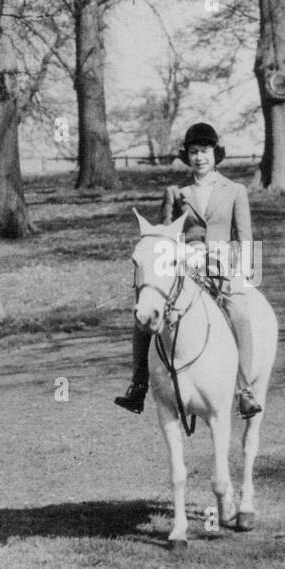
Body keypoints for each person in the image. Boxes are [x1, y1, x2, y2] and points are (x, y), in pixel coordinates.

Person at [114, 121, 263, 420]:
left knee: (240, 313)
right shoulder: (177, 193)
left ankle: (243, 390)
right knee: (145, 313)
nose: (199, 158)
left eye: (205, 151)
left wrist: (240, 269)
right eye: (193, 152)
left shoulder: (235, 191)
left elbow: (244, 237)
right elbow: (164, 237)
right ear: (187, 156)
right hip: (185, 264)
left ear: (215, 154)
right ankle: (139, 385)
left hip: (223, 264)